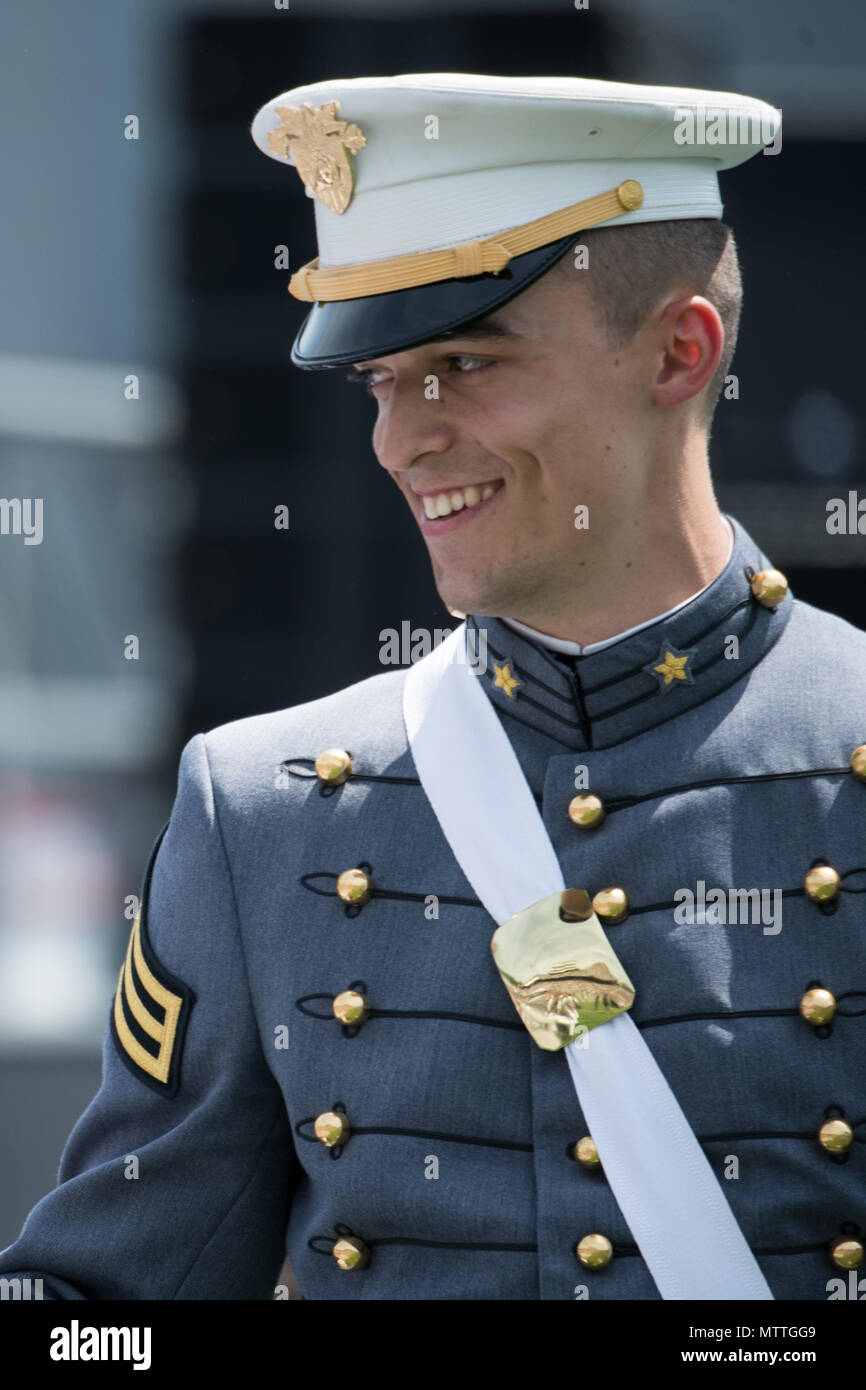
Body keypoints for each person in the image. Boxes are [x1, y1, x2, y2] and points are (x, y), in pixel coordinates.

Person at [1, 73, 864, 1301]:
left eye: (464, 360)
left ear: (680, 352)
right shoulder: (257, 812)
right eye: (380, 381)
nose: (401, 439)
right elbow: (108, 1313)